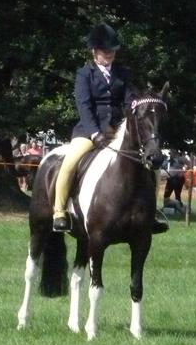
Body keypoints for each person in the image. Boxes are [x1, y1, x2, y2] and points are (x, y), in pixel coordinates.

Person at [52, 22, 167, 234]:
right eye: (105, 51)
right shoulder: (84, 74)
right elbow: (84, 106)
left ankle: (151, 214)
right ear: (94, 51)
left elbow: (130, 102)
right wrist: (94, 133)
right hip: (89, 131)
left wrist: (137, 112)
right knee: (69, 162)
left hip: (117, 130)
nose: (110, 54)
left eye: (112, 50)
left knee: (154, 168)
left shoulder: (123, 73)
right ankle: (59, 211)